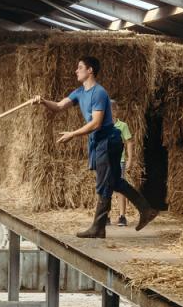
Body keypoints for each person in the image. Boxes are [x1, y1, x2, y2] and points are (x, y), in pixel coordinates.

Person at [33, 54, 158, 238]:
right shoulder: (79, 92)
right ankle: (146, 210)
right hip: (100, 141)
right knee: (114, 181)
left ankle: (98, 227)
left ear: (90, 70)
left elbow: (96, 123)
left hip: (108, 140)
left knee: (103, 184)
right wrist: (43, 101)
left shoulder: (99, 92)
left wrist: (73, 134)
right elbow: (59, 106)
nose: (76, 70)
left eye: (80, 67)